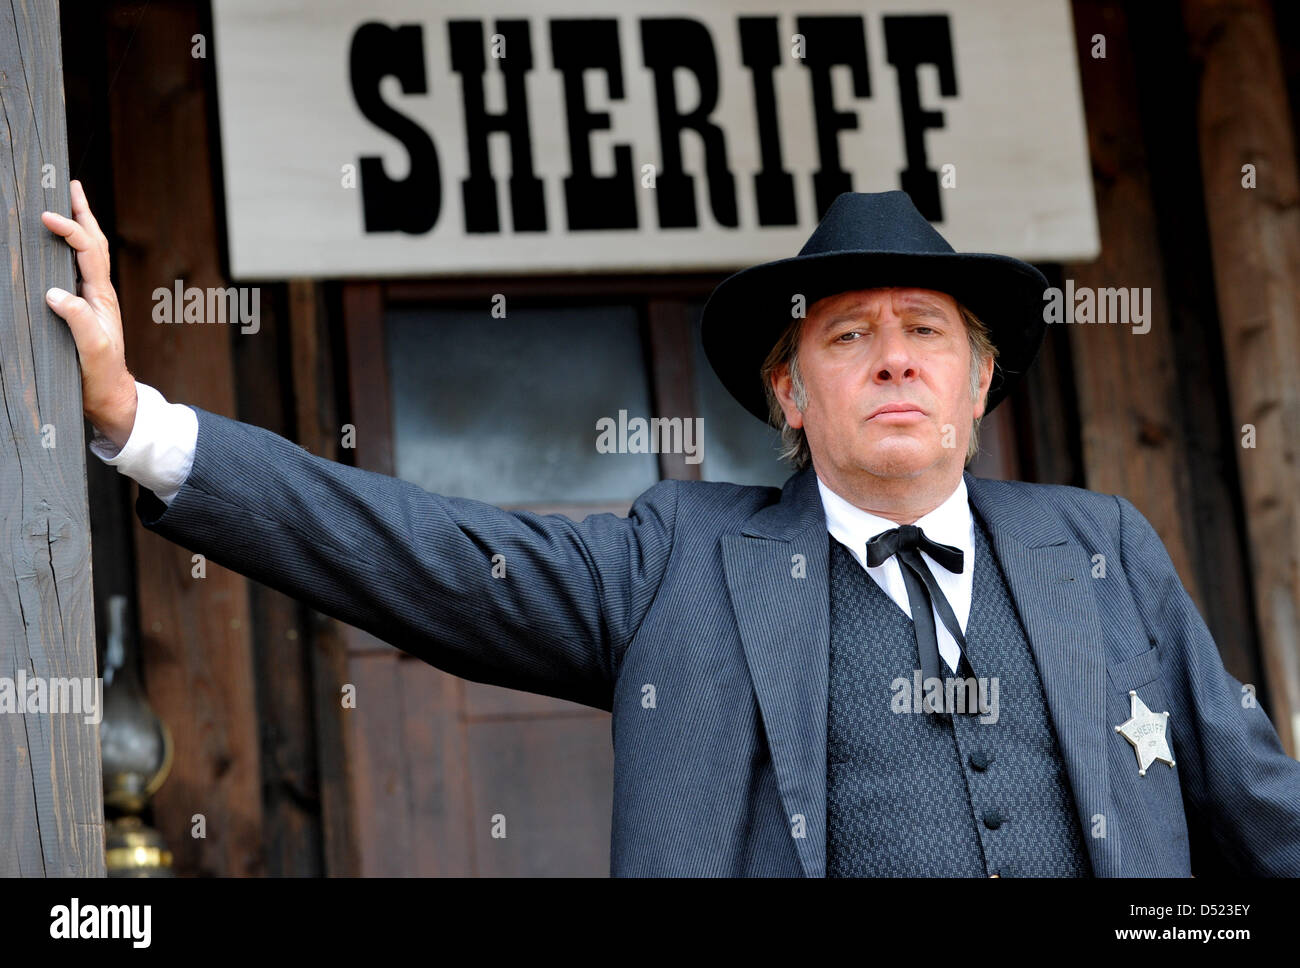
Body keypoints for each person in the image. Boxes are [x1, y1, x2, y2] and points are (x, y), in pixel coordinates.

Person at [43, 182, 1300, 877]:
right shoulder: (680, 557)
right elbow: (430, 556)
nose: (893, 361)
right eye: (847, 338)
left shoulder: (1102, 543)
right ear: (791, 397)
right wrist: (135, 420)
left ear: (980, 384)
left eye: (926, 331)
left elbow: (1256, 805)